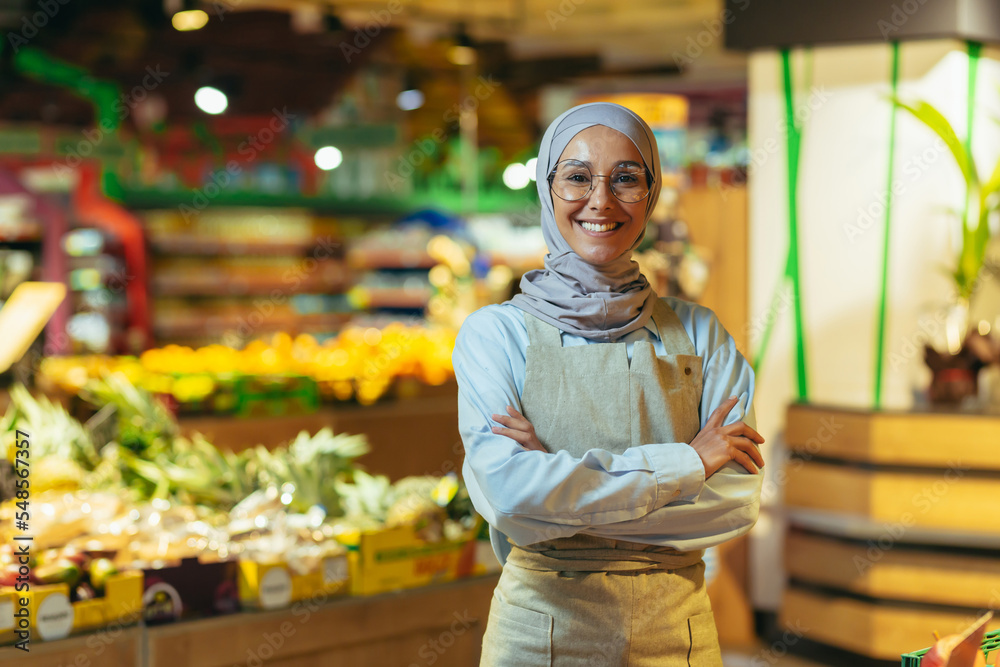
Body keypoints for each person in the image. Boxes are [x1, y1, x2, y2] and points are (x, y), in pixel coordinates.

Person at [454, 102, 765, 666]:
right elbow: (509, 497)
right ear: (549, 189)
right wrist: (686, 467)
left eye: (626, 178)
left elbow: (733, 503)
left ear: (650, 192)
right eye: (577, 177)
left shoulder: (701, 332)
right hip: (540, 632)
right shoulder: (495, 335)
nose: (600, 200)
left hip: (678, 634)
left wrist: (556, 480)